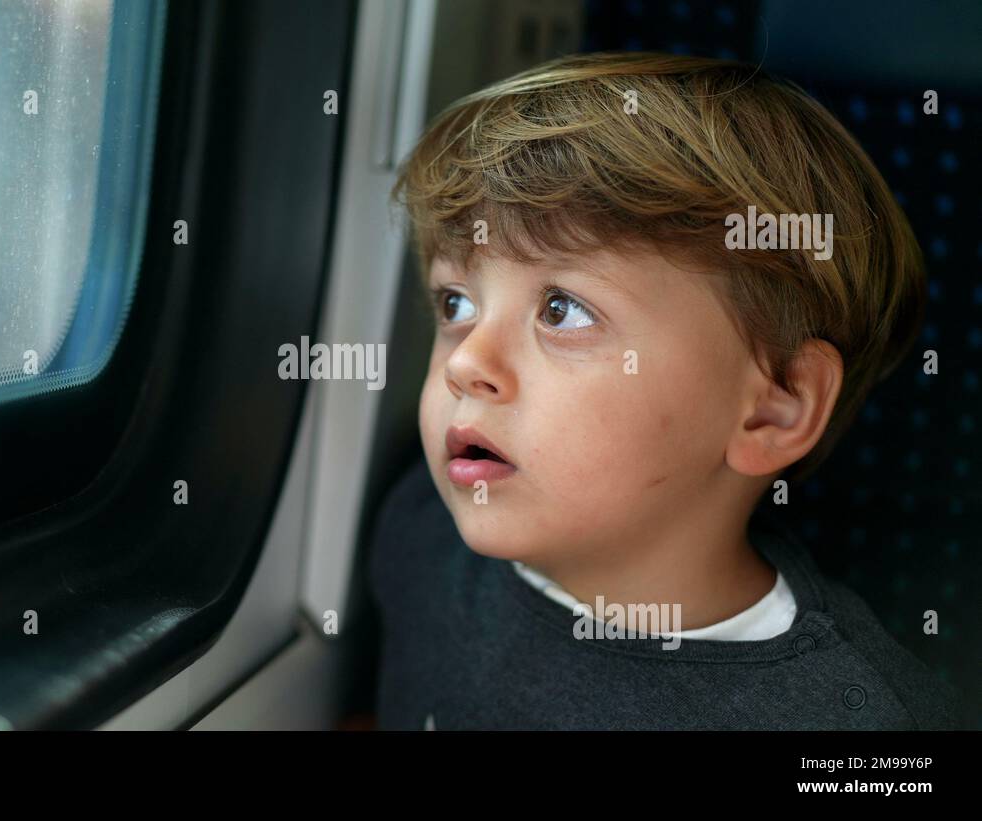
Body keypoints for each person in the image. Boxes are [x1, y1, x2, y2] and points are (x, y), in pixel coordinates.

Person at [371, 52, 962, 729]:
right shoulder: (417, 534)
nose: (464, 360)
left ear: (774, 405)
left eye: (562, 309)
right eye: (455, 304)